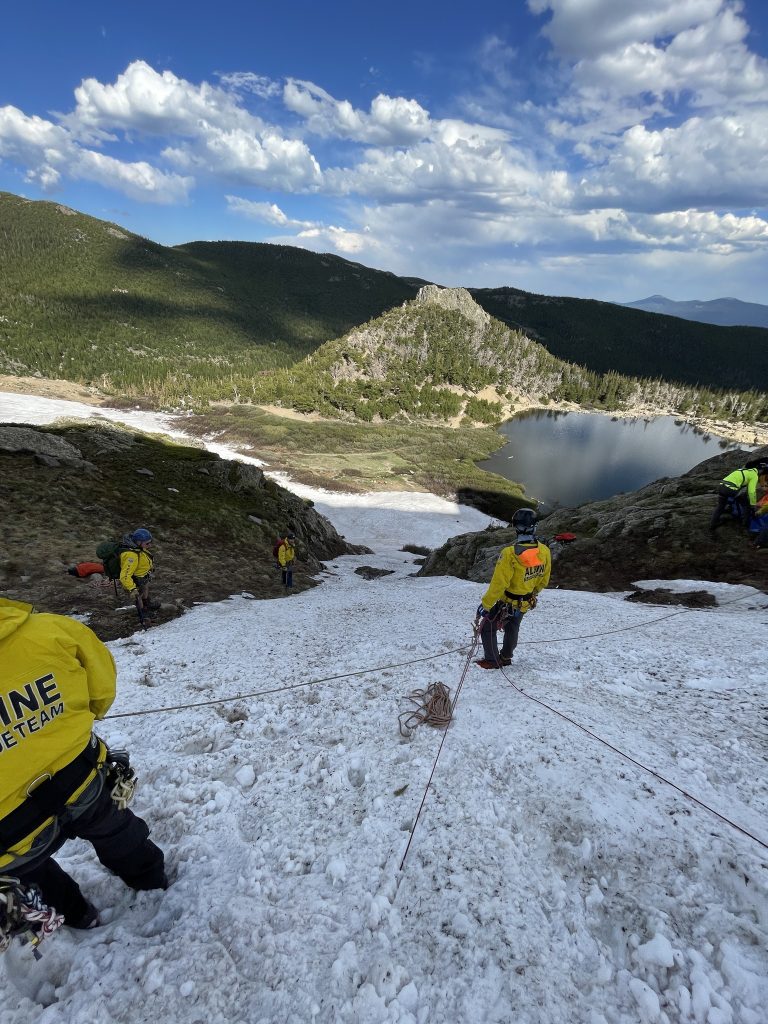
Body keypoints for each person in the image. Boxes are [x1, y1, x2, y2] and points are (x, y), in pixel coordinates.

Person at [0, 597, 167, 931]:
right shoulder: (51, 630)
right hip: (81, 778)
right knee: (116, 830)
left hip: (9, 826)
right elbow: (101, 683)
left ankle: (76, 914)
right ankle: (150, 877)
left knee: (29, 871)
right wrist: (82, 714)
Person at [475, 508, 552, 670]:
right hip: (525, 601)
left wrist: (486, 604)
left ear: (516, 527)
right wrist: (532, 592)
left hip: (507, 601)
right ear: (534, 527)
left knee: (487, 627)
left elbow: (499, 583)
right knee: (513, 627)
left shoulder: (510, 554)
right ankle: (506, 656)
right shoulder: (544, 550)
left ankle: (492, 660)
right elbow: (544, 580)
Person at [709, 462, 768, 532]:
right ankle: (745, 524)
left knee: (720, 507)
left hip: (721, 486)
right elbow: (751, 491)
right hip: (730, 489)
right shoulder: (754, 475)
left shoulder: (743, 470)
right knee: (746, 504)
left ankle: (712, 525)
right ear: (760, 470)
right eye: (763, 472)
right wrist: (753, 504)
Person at [119, 527, 159, 615]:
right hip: (135, 580)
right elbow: (125, 575)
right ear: (139, 542)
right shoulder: (131, 555)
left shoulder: (139, 548)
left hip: (143, 576)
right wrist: (132, 589)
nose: (150, 545)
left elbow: (144, 558)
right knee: (139, 595)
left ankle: (147, 604)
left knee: (145, 588)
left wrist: (150, 568)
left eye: (150, 542)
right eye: (147, 543)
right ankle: (143, 612)